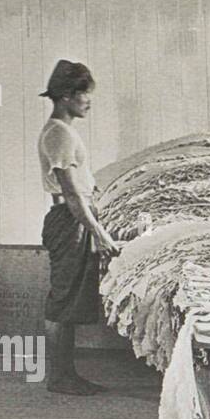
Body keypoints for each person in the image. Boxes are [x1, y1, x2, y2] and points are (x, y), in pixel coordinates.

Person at [37, 60, 120, 396]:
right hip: (69, 220)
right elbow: (71, 194)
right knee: (63, 298)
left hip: (74, 218)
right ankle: (58, 377)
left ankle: (66, 373)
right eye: (85, 95)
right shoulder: (58, 133)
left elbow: (80, 188)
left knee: (69, 298)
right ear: (68, 96)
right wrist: (100, 234)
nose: (89, 101)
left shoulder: (64, 132)